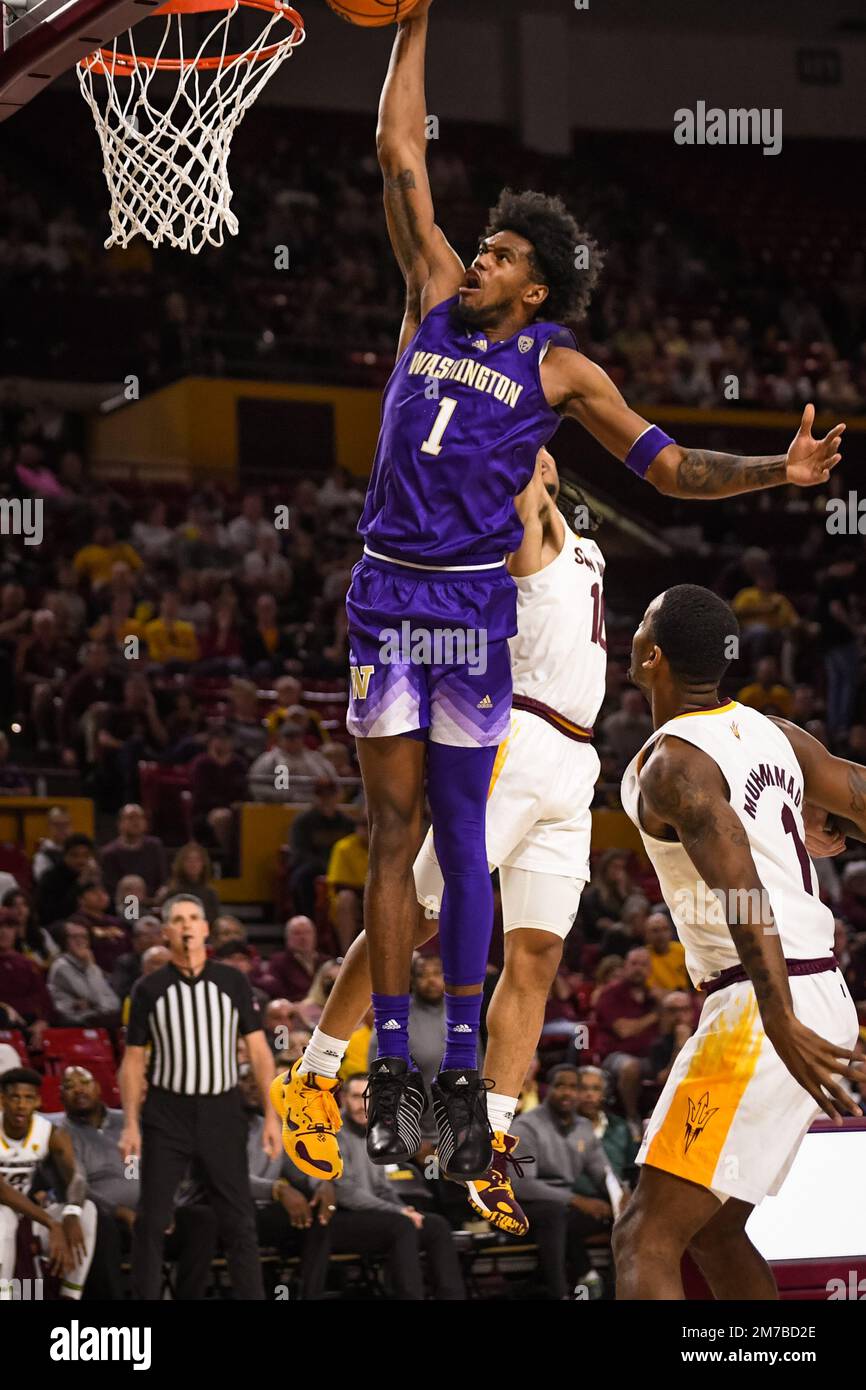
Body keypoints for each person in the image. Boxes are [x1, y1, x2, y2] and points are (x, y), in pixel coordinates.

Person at [338, 0, 845, 1182]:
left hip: (466, 608)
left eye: (503, 256)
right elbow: (399, 156)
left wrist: (780, 465)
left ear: (535, 291)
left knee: (458, 844)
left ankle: (452, 1087)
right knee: (389, 831)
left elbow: (667, 465)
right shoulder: (428, 293)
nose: (480, 257)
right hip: (381, 593)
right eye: (485, 246)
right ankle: (388, 1074)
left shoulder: (558, 367)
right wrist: (410, 24)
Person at [613, 584, 863, 1299]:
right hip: (817, 990)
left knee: (643, 1237)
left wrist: (778, 1018)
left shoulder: (672, 768)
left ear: (651, 655)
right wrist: (834, 827)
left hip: (764, 1002)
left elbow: (745, 891)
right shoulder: (774, 732)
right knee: (714, 1230)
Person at [119, 892, 282, 1300]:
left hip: (221, 1110)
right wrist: (131, 1123)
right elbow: (133, 1061)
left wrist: (272, 1115)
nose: (187, 925)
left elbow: (260, 1052)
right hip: (165, 1111)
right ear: (167, 930)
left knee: (240, 1220)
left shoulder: (232, 981)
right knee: (152, 1220)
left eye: (194, 917)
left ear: (206, 928)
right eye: (178, 919)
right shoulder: (148, 989)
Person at [57, 1065, 218, 1301]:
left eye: (85, 1083)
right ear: (59, 1097)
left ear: (98, 1088)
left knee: (202, 1219)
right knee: (102, 1226)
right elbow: (77, 1184)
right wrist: (121, 1212)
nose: (78, 1090)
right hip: (110, 1221)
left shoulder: (130, 1123)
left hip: (151, 1215)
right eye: (69, 1086)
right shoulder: (62, 1134)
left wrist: (165, 1205)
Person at [330, 1074, 466, 1301]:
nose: (363, 1104)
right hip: (343, 1218)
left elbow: (382, 1187)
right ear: (343, 1099)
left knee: (436, 1226)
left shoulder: (378, 1133)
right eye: (356, 1097)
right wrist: (398, 1212)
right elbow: (346, 1193)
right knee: (402, 1226)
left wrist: (405, 1209)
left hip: (378, 1216)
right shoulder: (334, 1135)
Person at [511, 1065, 618, 1299]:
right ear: (548, 1088)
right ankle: (560, 1291)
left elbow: (602, 1173)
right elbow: (522, 1185)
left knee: (621, 1218)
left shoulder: (583, 1127)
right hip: (528, 1207)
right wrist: (576, 1199)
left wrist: (622, 1197)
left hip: (566, 1209)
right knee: (556, 1213)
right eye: (560, 1086)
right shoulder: (526, 1126)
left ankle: (614, 1289)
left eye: (574, 1087)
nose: (567, 1093)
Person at [240, 1063, 335, 1301]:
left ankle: (307, 1293)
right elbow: (226, 1179)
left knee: (320, 1216)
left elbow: (298, 1167)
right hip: (230, 1210)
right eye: (245, 1079)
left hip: (266, 1212)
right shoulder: (218, 1126)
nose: (253, 1085)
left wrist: (321, 1183)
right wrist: (277, 1189)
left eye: (258, 1079)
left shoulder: (271, 1127)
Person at [0, 1067, 98, 1299]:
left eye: (28, 1098)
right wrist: (52, 1224)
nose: (21, 1105)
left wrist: (71, 1215)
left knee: (89, 1211)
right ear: (2, 1100)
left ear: (38, 1101)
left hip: (30, 1216)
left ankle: (70, 1295)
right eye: (15, 1098)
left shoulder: (49, 1132)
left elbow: (77, 1177)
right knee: (3, 1216)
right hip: (7, 1215)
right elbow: (1, 1191)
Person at [593, 947, 661, 1138]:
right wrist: (656, 1015)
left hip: (651, 1057)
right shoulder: (610, 994)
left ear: (650, 970)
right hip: (615, 1057)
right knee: (630, 1067)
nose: (638, 969)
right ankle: (632, 1119)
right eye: (634, 964)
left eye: (643, 964)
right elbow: (624, 1030)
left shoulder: (654, 996)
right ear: (625, 967)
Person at [288, 780, 354, 919]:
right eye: (322, 796)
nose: (327, 800)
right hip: (313, 866)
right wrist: (325, 865)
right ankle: (307, 918)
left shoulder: (347, 822)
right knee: (300, 878)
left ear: (338, 796)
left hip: (341, 868)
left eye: (331, 795)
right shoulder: (303, 821)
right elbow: (299, 851)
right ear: (316, 797)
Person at [47, 922, 122, 1028]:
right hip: (72, 1022)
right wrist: (90, 966)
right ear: (64, 941)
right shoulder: (61, 966)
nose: (80, 941)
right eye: (74, 937)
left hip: (95, 1019)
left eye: (84, 937)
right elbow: (90, 996)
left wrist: (97, 1006)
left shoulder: (91, 966)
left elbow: (115, 1002)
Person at [98, 804, 168, 900]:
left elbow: (162, 880)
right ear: (120, 823)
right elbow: (110, 889)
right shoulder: (109, 853)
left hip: (151, 903)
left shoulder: (154, 846)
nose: (136, 822)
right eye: (131, 818)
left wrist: (162, 891)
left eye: (140, 818)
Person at [256, 916, 325, 1002]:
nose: (303, 938)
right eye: (297, 933)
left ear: (315, 935)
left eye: (307, 932)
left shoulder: (326, 961)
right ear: (288, 938)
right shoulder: (278, 962)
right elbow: (276, 993)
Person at [643, 910, 690, 993]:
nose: (661, 935)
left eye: (664, 929)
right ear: (646, 934)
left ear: (671, 932)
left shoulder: (683, 950)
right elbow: (651, 991)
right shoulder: (643, 958)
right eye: (655, 930)